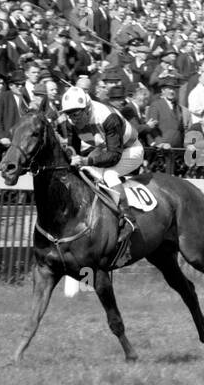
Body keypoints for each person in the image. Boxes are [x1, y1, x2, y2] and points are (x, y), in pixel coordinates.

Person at [58, 86, 143, 261]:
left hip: (130, 150)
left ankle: (128, 220)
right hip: (104, 148)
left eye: (76, 114)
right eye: (69, 114)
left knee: (108, 175)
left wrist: (86, 161)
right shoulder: (72, 122)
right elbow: (75, 150)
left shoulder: (107, 117)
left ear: (87, 108)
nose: (73, 118)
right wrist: (74, 157)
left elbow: (113, 156)